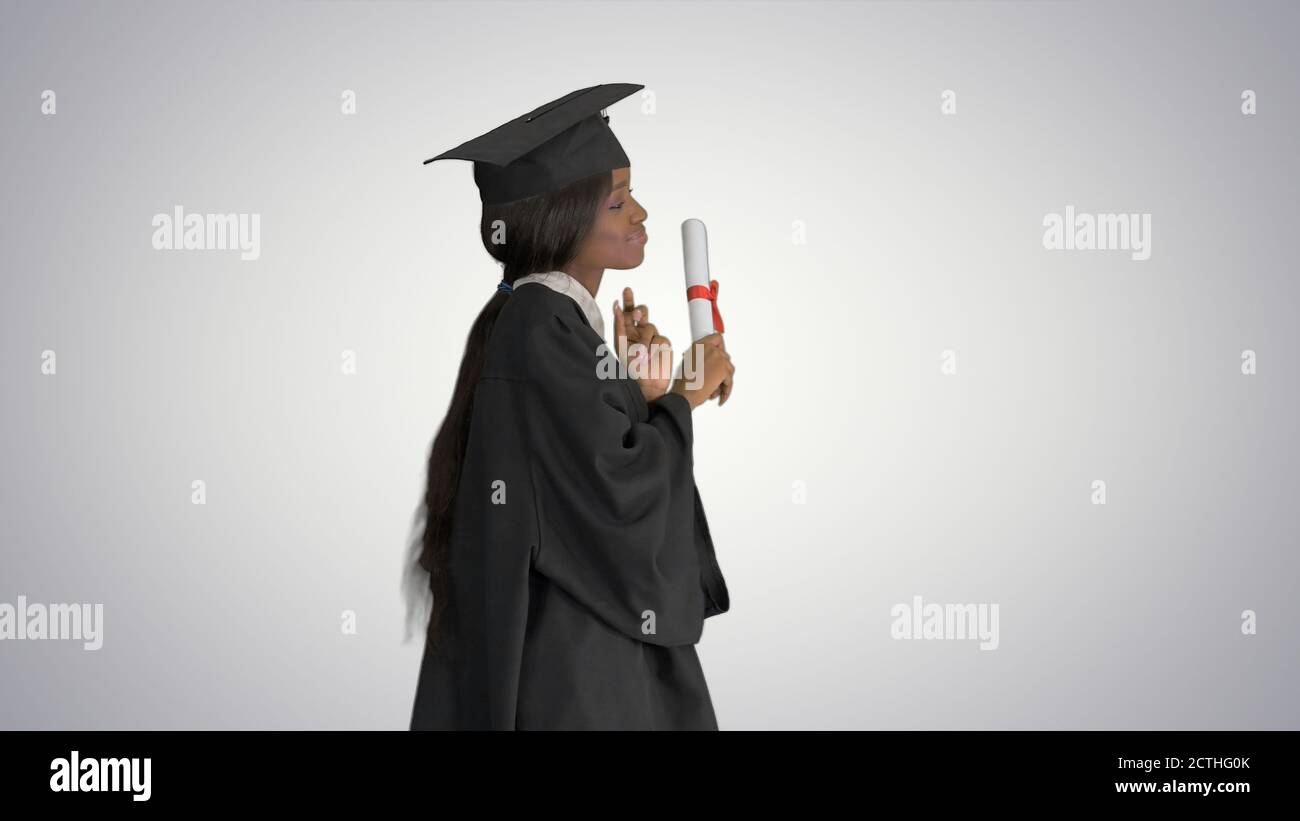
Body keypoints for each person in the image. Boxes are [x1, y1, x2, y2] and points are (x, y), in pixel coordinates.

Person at [407, 84, 734, 730]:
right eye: (617, 201)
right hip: (577, 670)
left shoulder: (548, 324)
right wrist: (684, 395)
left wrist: (637, 394)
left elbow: (582, 476)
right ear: (561, 218)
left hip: (584, 654)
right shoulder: (540, 325)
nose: (640, 213)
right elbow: (619, 497)